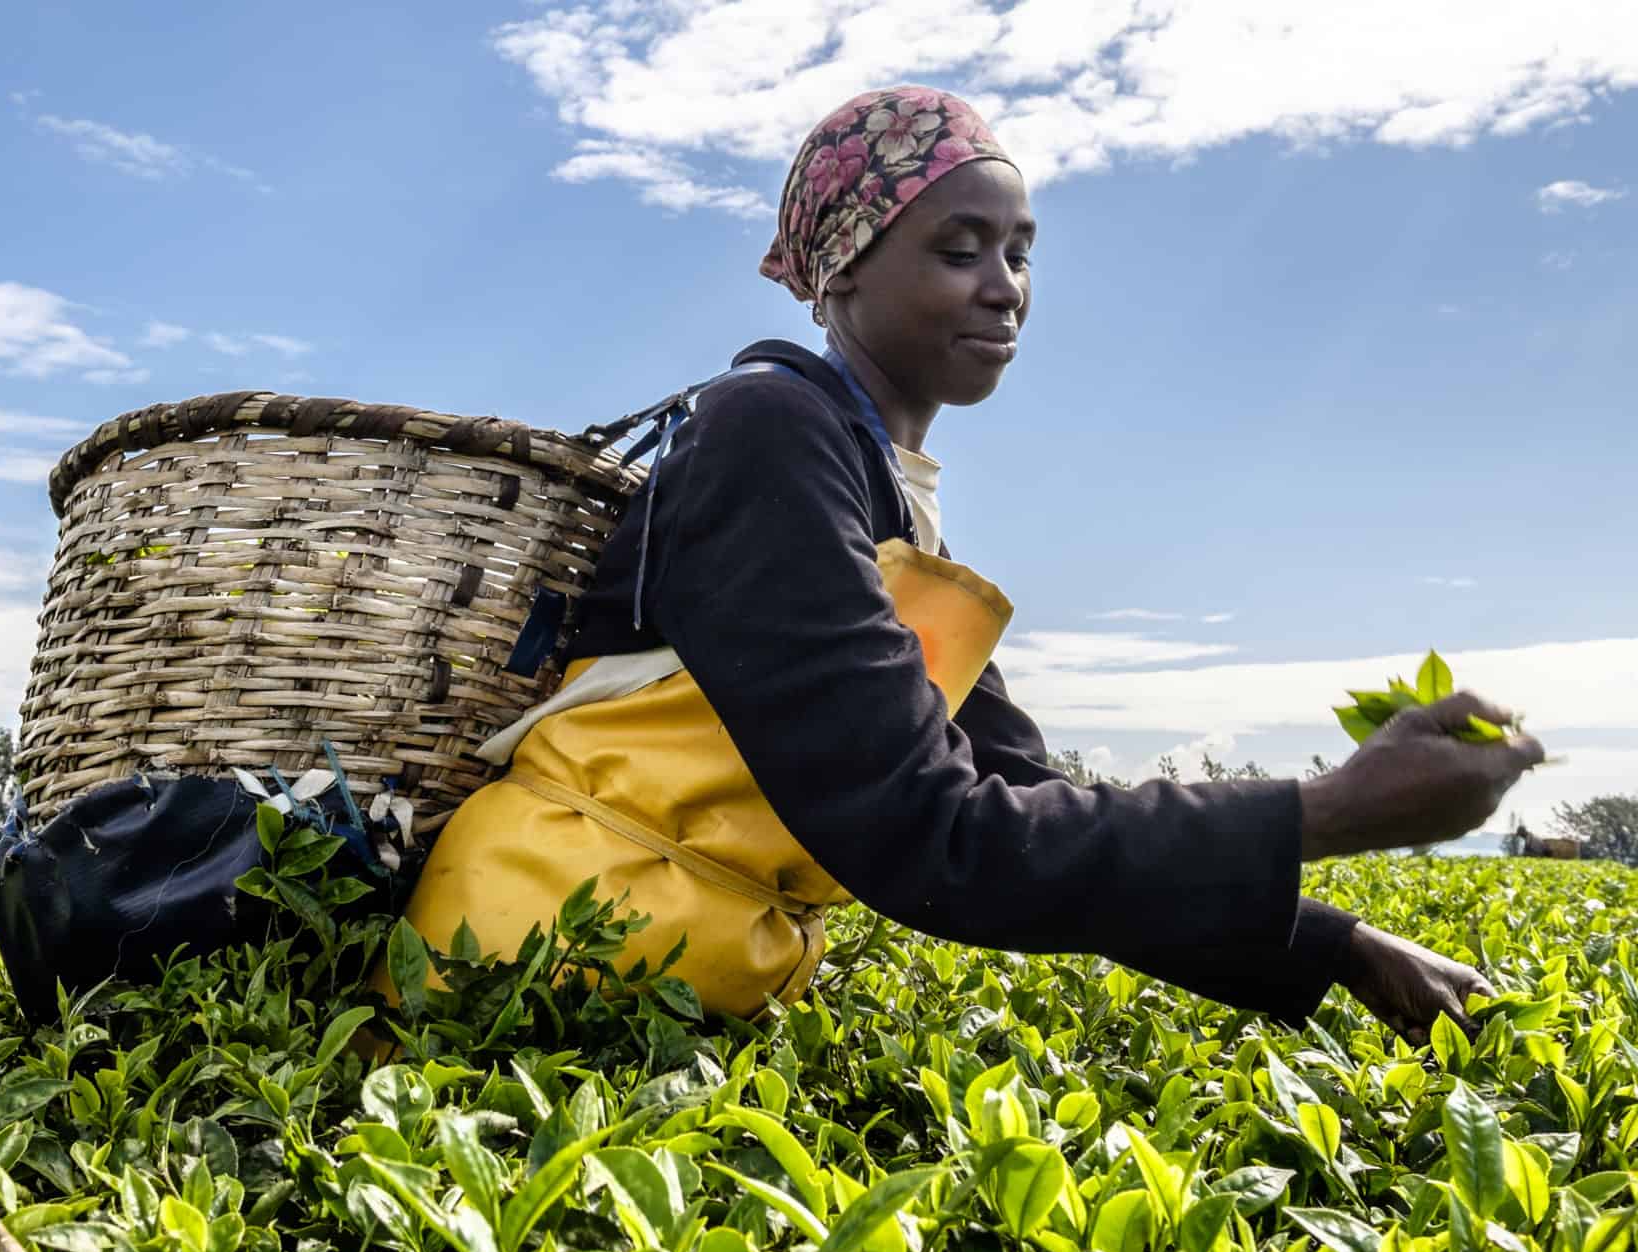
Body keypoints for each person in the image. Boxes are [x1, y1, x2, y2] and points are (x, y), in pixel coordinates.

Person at [385, 85, 1543, 1045]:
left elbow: (1032, 811)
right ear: (838, 271)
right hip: (521, 972)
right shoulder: (766, 433)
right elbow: (927, 836)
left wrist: (1330, 946)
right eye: (958, 249)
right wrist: (1327, 810)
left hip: (676, 994)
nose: (1006, 286)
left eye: (1019, 253)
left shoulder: (893, 505)